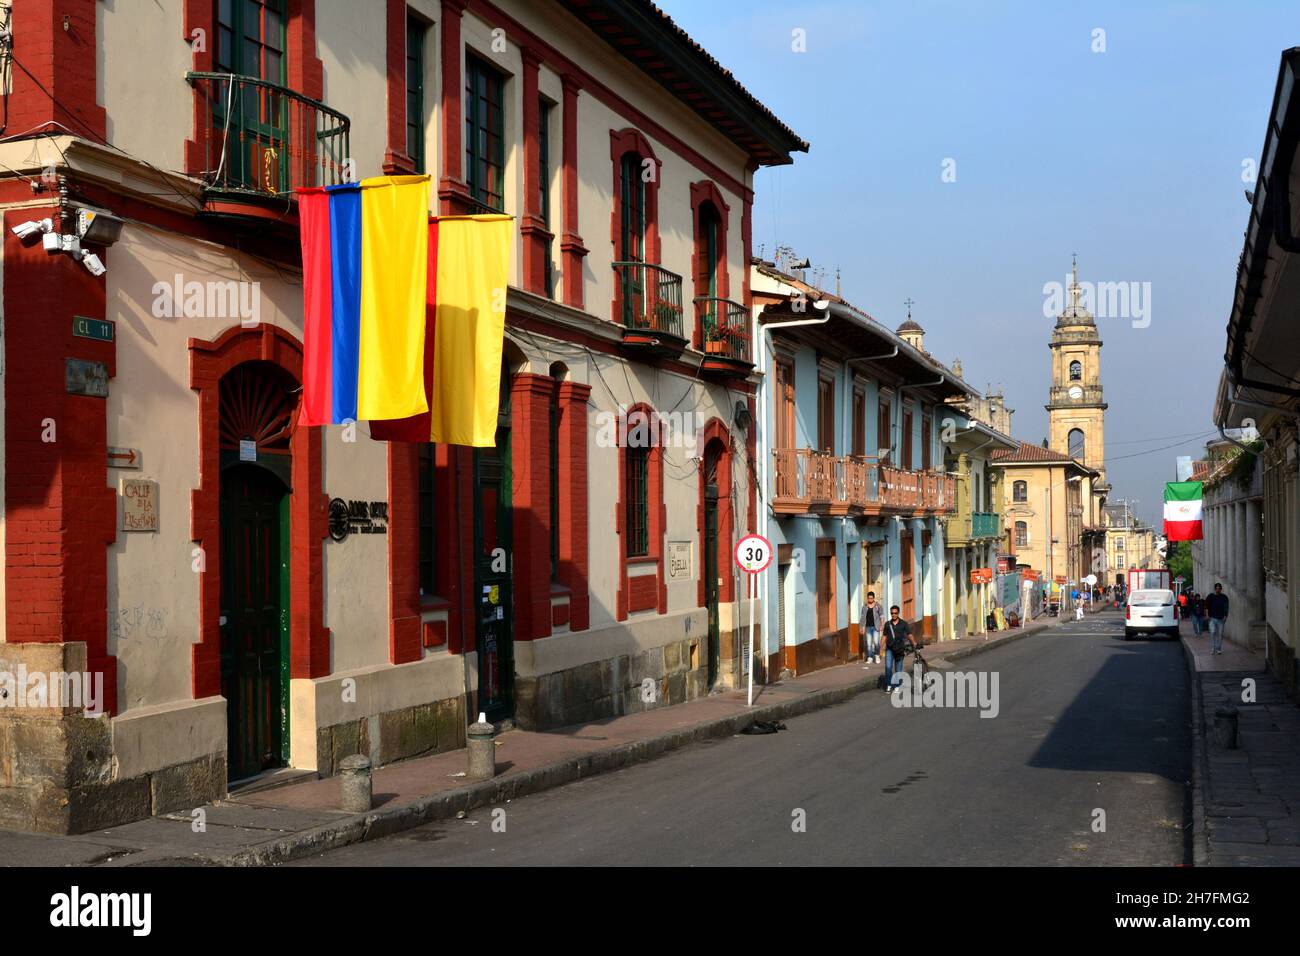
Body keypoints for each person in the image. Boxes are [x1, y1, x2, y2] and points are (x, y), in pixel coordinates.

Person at [882, 605, 914, 689]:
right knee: (888, 667)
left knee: (898, 669)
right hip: (889, 649)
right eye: (892, 613)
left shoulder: (903, 623)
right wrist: (881, 648)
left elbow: (909, 634)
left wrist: (914, 642)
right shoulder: (887, 624)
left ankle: (897, 685)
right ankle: (889, 684)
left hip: (900, 649)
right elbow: (884, 636)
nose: (894, 615)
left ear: (898, 613)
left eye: (895, 613)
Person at [1205, 583, 1229, 655]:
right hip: (1212, 618)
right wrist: (1207, 615)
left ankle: (1219, 648)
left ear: (1221, 589)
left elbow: (1226, 607)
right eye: (1217, 588)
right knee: (1212, 632)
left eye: (1219, 588)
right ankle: (1213, 648)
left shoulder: (1224, 597)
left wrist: (1225, 616)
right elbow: (1206, 606)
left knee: (1220, 634)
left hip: (1221, 618)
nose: (1218, 589)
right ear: (1215, 589)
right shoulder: (1210, 596)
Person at [861, 590, 884, 665]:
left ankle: (877, 656)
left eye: (871, 598)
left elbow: (881, 616)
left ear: (873, 598)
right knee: (869, 643)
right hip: (868, 627)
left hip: (876, 627)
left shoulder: (878, 606)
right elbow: (863, 618)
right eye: (869, 598)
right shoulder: (864, 607)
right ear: (867, 598)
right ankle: (870, 657)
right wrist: (862, 627)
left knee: (876, 642)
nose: (870, 600)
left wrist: (882, 625)